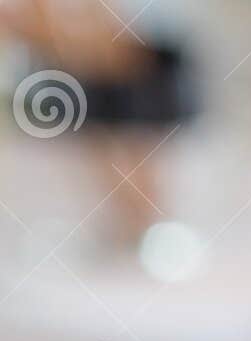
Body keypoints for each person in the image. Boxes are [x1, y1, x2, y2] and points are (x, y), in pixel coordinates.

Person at [2, 0, 198, 251]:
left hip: (128, 57)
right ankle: (136, 230)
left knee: (130, 146)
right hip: (104, 66)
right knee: (110, 146)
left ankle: (144, 229)